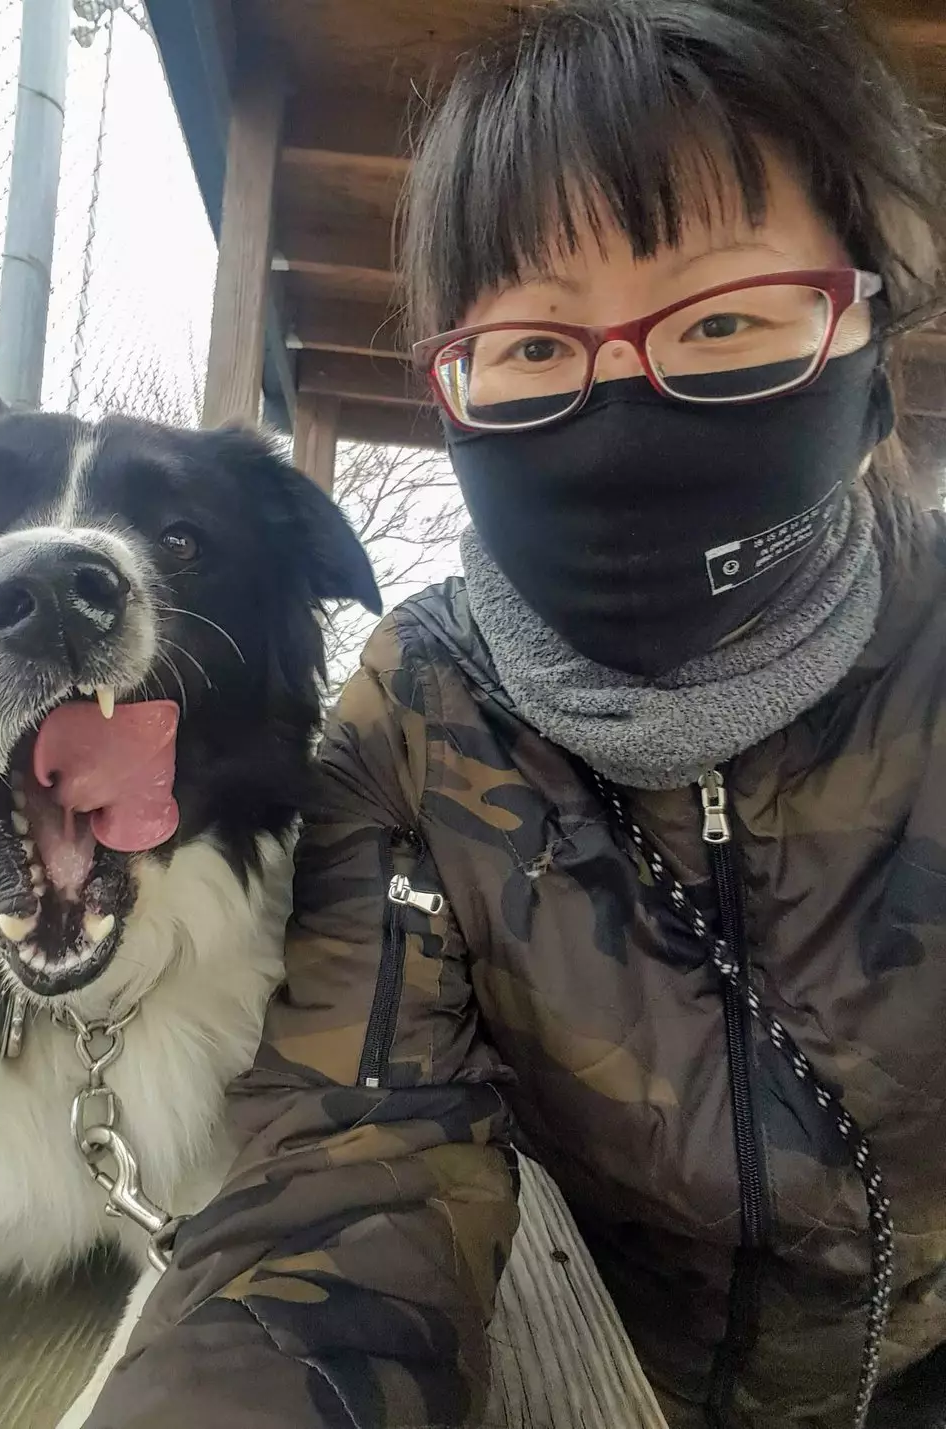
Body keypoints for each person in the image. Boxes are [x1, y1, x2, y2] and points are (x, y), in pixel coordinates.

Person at [87, 2, 946, 1426]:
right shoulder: (422, 720)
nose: (619, 400)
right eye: (535, 351)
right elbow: (350, 1165)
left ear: (869, 335)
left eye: (727, 319)